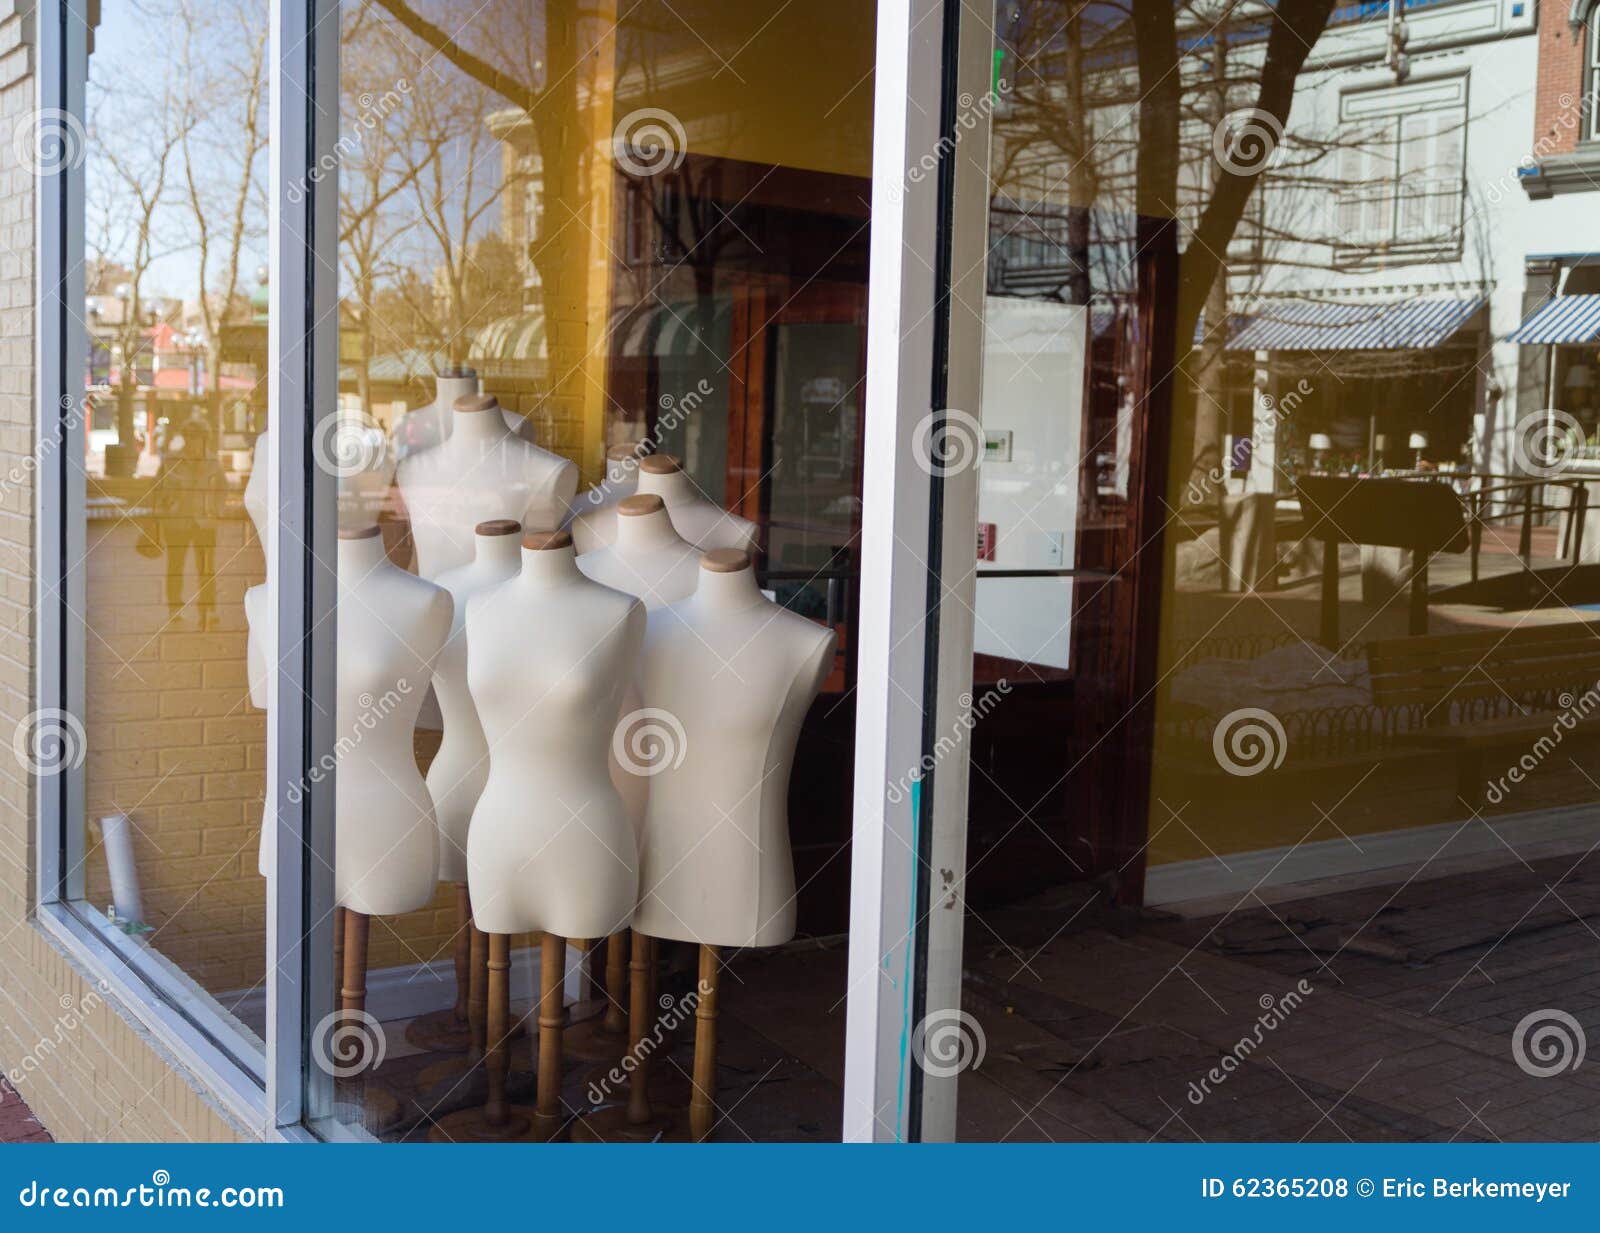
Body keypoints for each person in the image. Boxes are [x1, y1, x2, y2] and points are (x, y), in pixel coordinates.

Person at [152, 411, 227, 630]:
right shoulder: (171, 460)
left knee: (206, 567)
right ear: (185, 437)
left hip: (205, 523)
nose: (195, 441)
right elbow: (157, 489)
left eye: (199, 437)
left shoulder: (213, 462)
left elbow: (223, 488)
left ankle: (208, 608)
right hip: (177, 522)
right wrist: (165, 507)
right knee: (175, 565)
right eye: (191, 436)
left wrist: (217, 510)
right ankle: (174, 607)